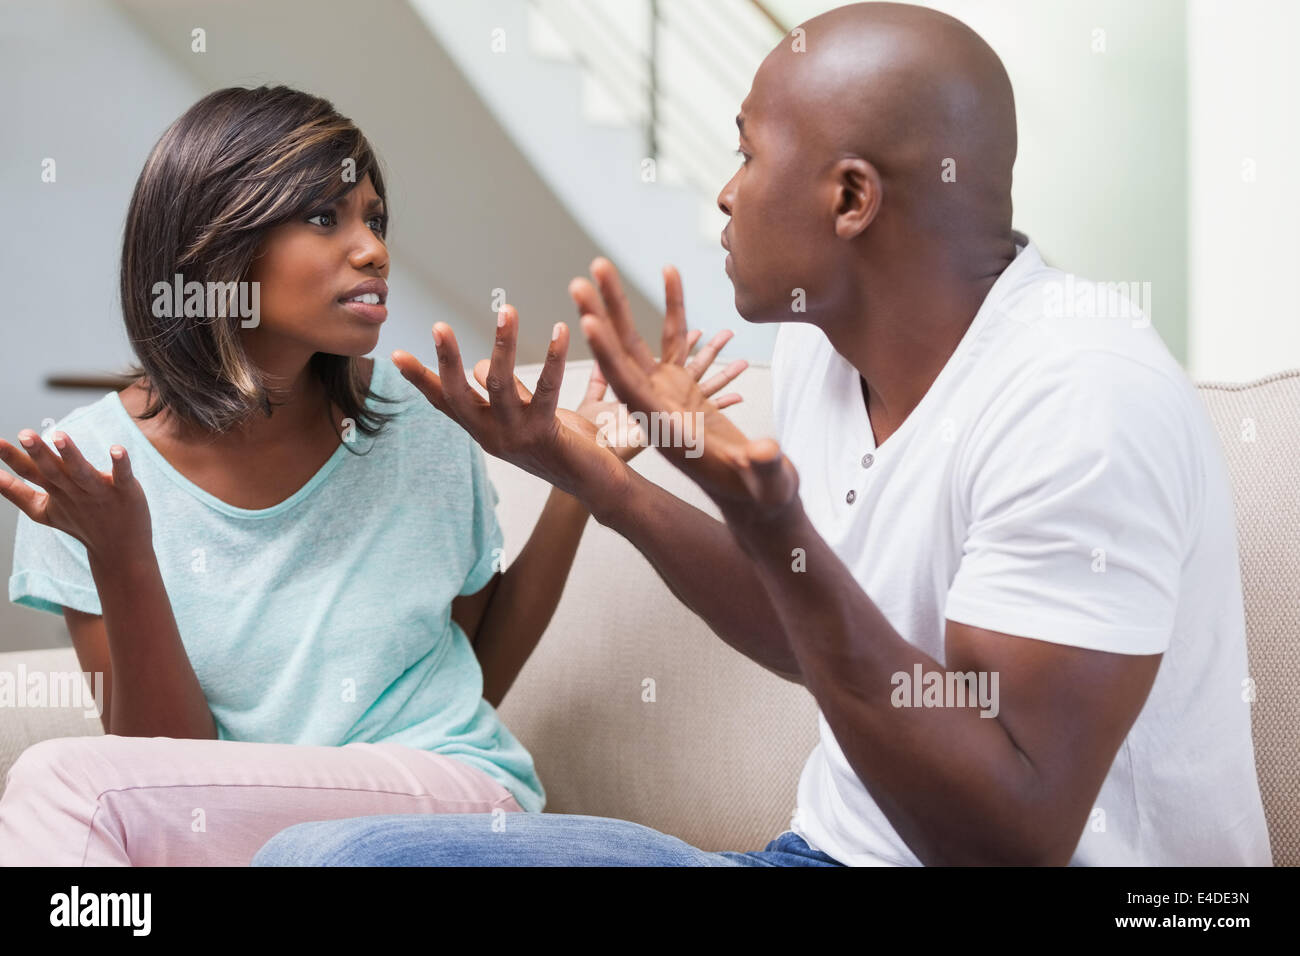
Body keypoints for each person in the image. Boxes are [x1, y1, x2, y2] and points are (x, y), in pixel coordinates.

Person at [253, 2, 1272, 867]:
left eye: (746, 150)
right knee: (315, 855)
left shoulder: (1080, 394)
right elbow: (813, 639)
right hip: (816, 855)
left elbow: (1009, 837)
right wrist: (599, 482)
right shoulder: (830, 354)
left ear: (850, 197)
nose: (725, 190)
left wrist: (772, 520)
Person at [0, 85, 746, 866]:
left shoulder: (421, 422)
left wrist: (575, 483)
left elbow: (475, 670)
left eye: (375, 219)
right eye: (327, 217)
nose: (373, 250)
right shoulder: (85, 470)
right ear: (213, 244)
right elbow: (166, 781)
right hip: (250, 834)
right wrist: (124, 553)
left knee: (63, 783)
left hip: (444, 797)